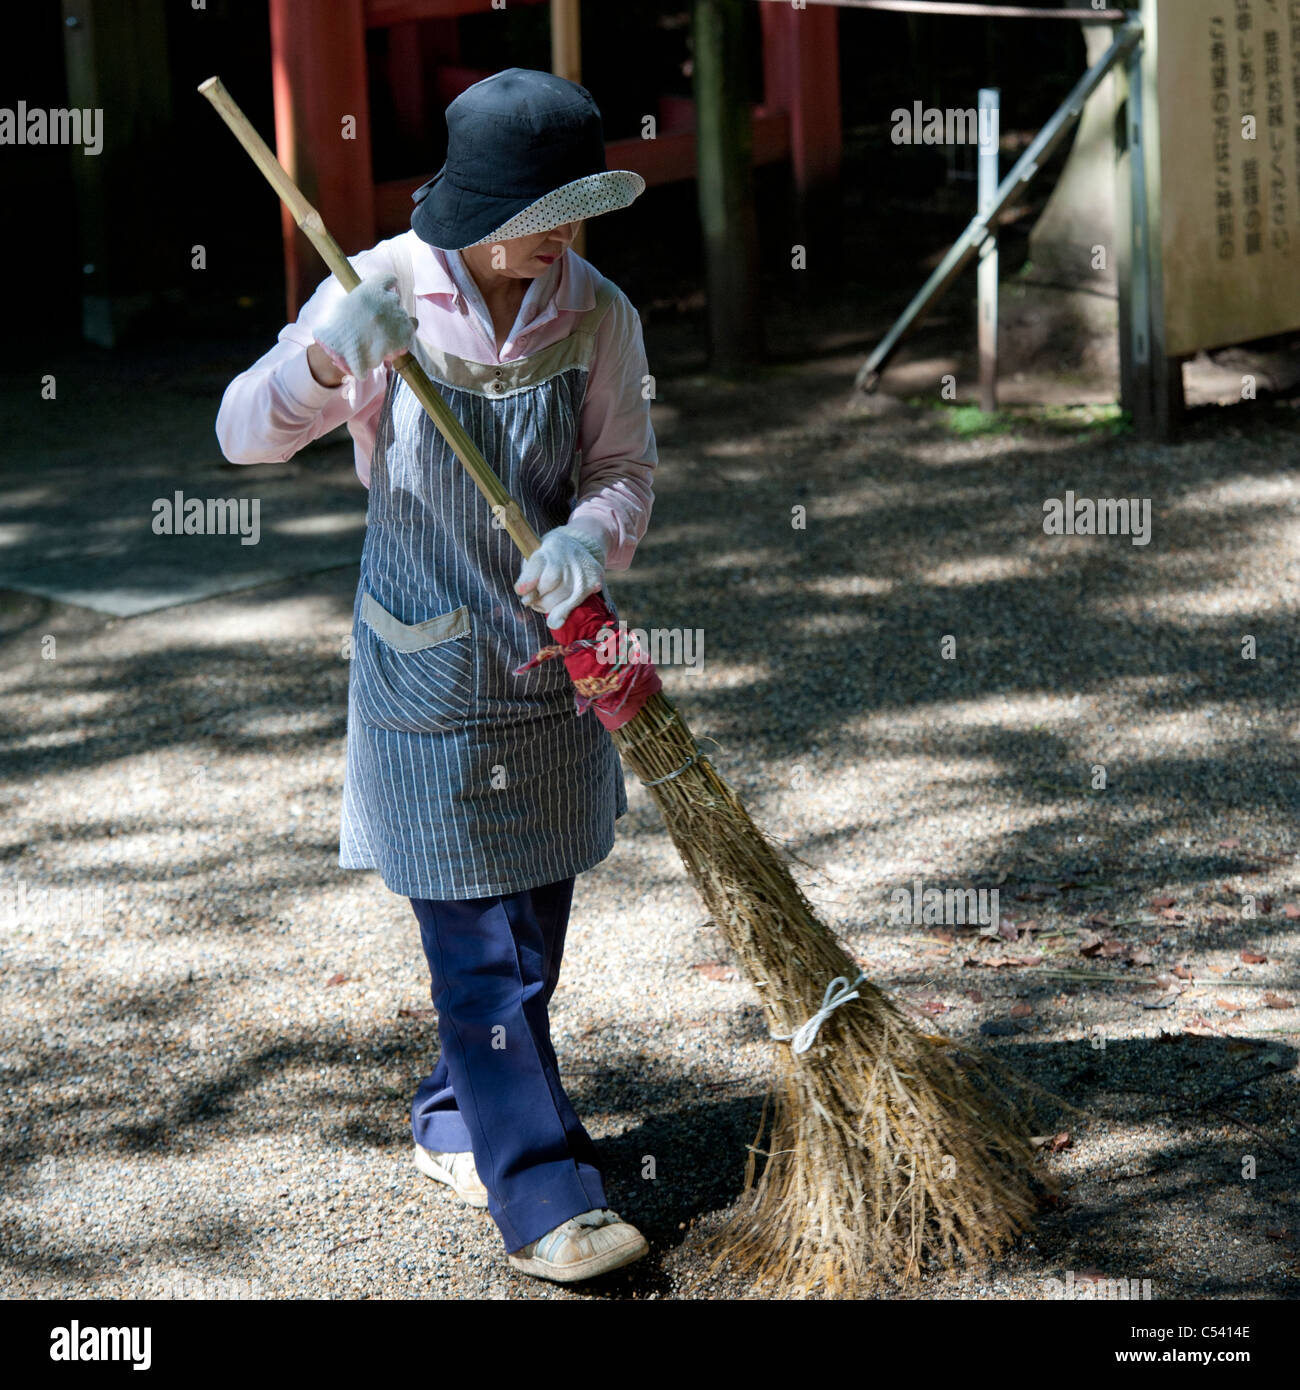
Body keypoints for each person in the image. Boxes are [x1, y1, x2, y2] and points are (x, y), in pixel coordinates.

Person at [216, 68, 657, 1283]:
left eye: (580, 208)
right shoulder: (378, 290)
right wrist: (319, 358)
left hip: (549, 656)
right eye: (546, 210)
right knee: (478, 950)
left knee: (533, 926)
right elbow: (240, 433)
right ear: (475, 203)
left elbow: (624, 471)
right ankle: (545, 1193)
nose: (565, 236)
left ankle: (457, 1115)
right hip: (423, 663)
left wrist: (589, 536)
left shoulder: (597, 311)